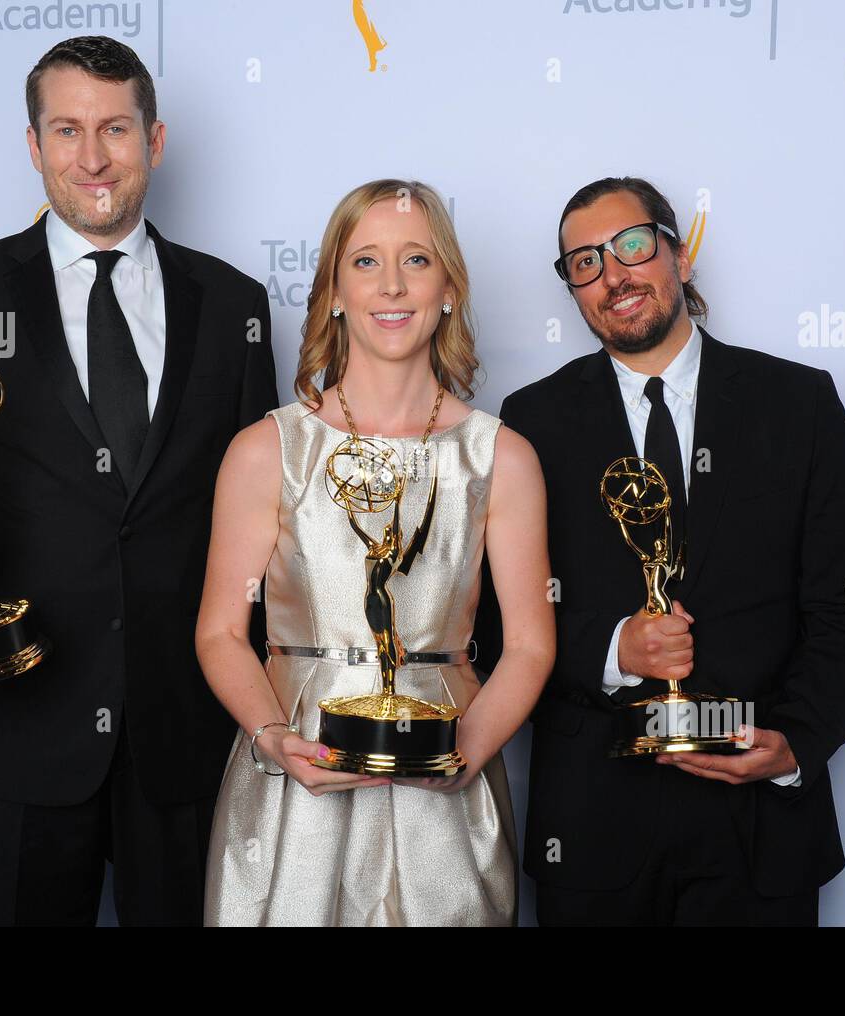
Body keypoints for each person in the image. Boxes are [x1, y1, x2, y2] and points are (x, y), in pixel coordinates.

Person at [0, 36, 278, 925]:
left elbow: (262, 513)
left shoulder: (234, 304)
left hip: (185, 733)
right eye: (66, 130)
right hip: (13, 724)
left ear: (155, 140)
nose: (92, 158)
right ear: (33, 145)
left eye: (114, 130)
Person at [475, 176, 845, 926]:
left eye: (632, 245)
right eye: (585, 263)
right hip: (596, 832)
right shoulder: (530, 422)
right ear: (572, 289)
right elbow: (499, 626)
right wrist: (614, 648)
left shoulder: (800, 404)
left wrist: (796, 743)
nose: (613, 275)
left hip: (761, 834)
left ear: (680, 255)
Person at [196, 179, 554, 926]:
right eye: (365, 262)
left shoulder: (502, 457)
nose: (392, 285)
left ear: (449, 288)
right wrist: (273, 739)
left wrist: (465, 755)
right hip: (295, 776)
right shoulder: (267, 450)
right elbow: (222, 631)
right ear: (331, 290)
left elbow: (528, 644)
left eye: (417, 259)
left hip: (447, 787)